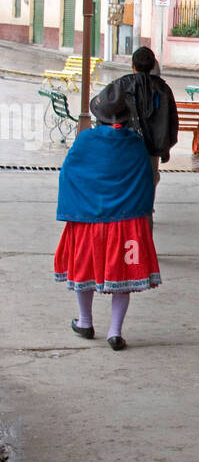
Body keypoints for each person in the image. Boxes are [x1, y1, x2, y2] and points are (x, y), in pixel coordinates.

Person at [54, 83, 161, 351]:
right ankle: (115, 332)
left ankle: (85, 322)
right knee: (122, 277)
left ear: (99, 116)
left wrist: (78, 206)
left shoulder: (85, 141)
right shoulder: (136, 145)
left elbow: (69, 174)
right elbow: (145, 182)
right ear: (126, 118)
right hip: (126, 225)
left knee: (83, 270)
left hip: (88, 221)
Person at [91, 45, 178, 190]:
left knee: (125, 181)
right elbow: (172, 122)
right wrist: (165, 148)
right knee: (149, 181)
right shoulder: (163, 89)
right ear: (152, 65)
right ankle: (145, 210)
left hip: (124, 146)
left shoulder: (120, 85)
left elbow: (100, 108)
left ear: (133, 65)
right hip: (152, 149)